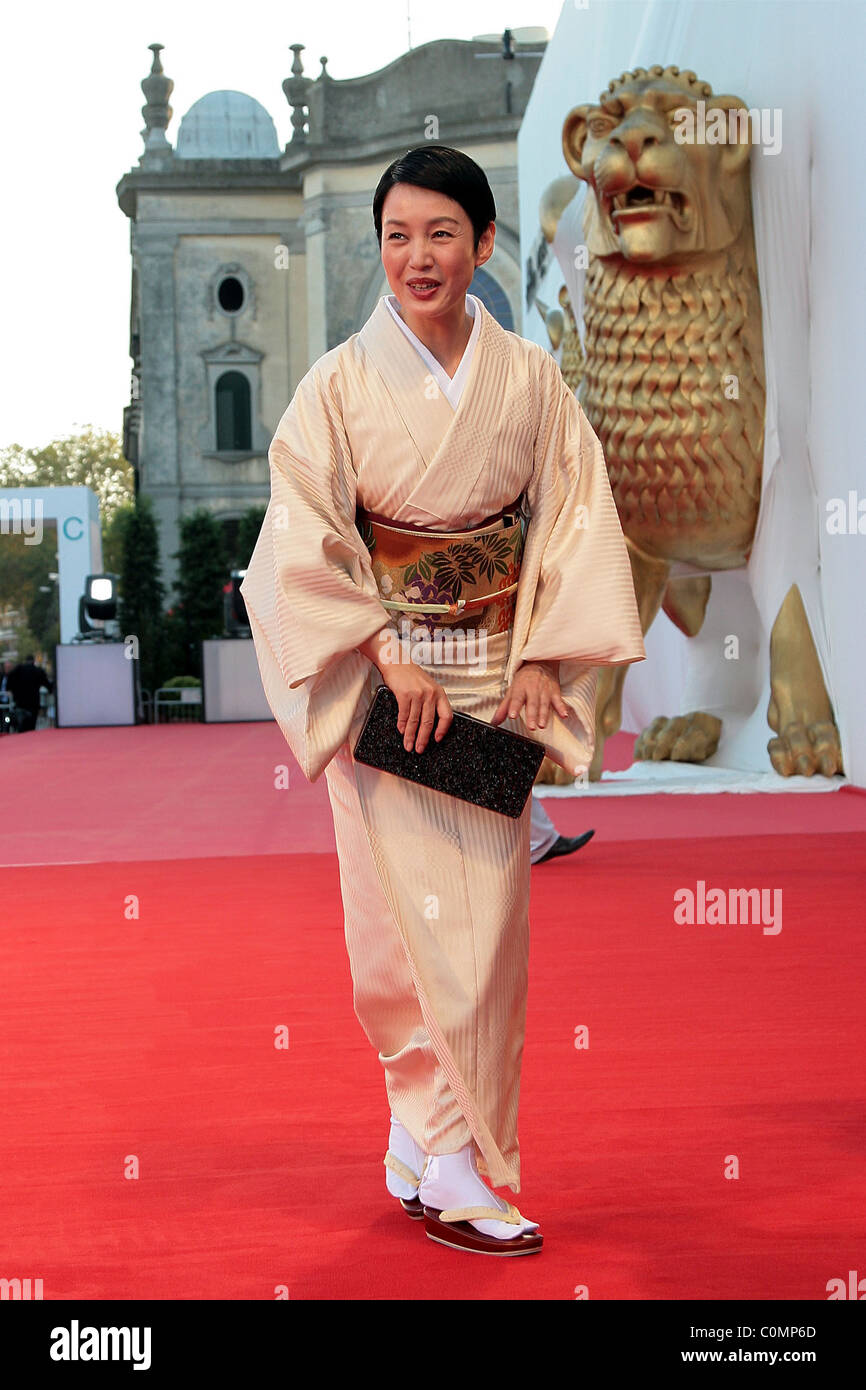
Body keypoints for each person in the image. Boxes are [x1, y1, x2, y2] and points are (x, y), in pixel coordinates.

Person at [241, 145, 644, 1255]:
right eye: (396, 236)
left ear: (480, 244)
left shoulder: (530, 379)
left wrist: (541, 657)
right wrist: (380, 642)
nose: (417, 257)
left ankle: (439, 1147)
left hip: (492, 692)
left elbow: (571, 518)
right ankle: (441, 1147)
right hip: (386, 694)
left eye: (440, 234)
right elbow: (297, 542)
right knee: (396, 932)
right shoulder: (336, 383)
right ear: (379, 247)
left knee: (487, 932)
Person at [6, 654, 53, 732]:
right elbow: (47, 684)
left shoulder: (19, 669)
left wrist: (11, 690)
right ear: (33, 661)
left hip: (20, 702)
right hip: (33, 703)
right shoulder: (37, 671)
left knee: (21, 723)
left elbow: (9, 678)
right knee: (31, 726)